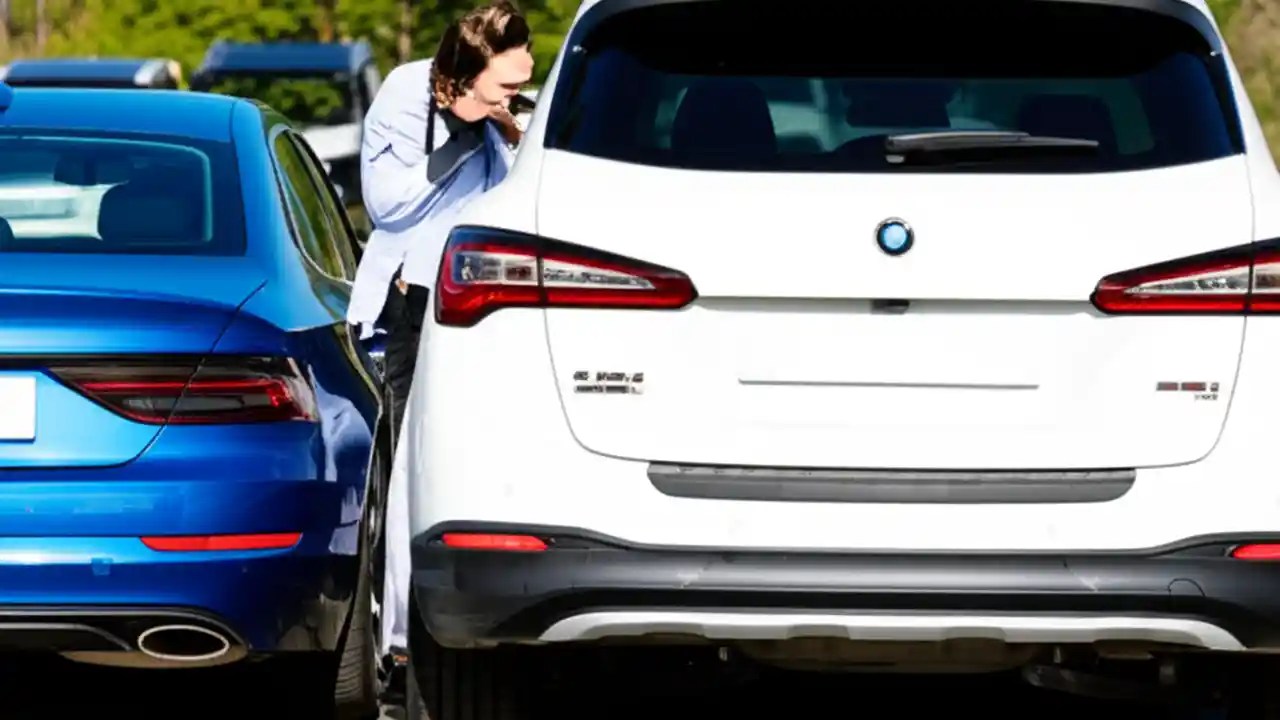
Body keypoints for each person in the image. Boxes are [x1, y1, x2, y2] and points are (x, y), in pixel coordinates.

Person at [344, 0, 534, 696]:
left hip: (494, 301)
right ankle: (398, 642)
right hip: (417, 295)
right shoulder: (406, 94)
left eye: (521, 84)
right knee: (414, 469)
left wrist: (511, 129)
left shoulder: (511, 113)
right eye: (505, 86)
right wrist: (463, 135)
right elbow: (388, 204)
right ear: (465, 73)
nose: (515, 96)